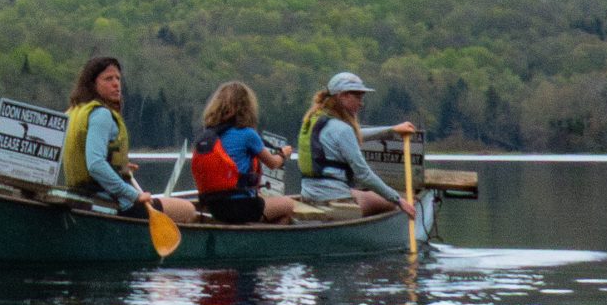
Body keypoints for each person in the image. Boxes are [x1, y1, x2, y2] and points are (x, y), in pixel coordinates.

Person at [60, 56, 196, 223]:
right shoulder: (101, 114)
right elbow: (95, 165)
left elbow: (88, 157)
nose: (116, 84)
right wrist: (134, 195)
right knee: (188, 210)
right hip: (108, 200)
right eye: (108, 79)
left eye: (118, 78)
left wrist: (119, 167)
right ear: (92, 83)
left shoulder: (72, 112)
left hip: (79, 195)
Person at [293, 71, 413, 217]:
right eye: (357, 97)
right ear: (342, 96)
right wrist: (398, 200)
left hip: (309, 196)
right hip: (333, 198)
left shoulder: (313, 120)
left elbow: (351, 136)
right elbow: (364, 175)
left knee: (365, 195)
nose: (361, 103)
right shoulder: (342, 129)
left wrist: (391, 130)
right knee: (387, 202)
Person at [188, 80, 299, 223]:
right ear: (247, 108)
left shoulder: (208, 136)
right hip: (241, 207)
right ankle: (265, 242)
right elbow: (273, 163)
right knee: (289, 205)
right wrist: (284, 154)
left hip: (215, 207)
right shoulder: (248, 134)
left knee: (275, 210)